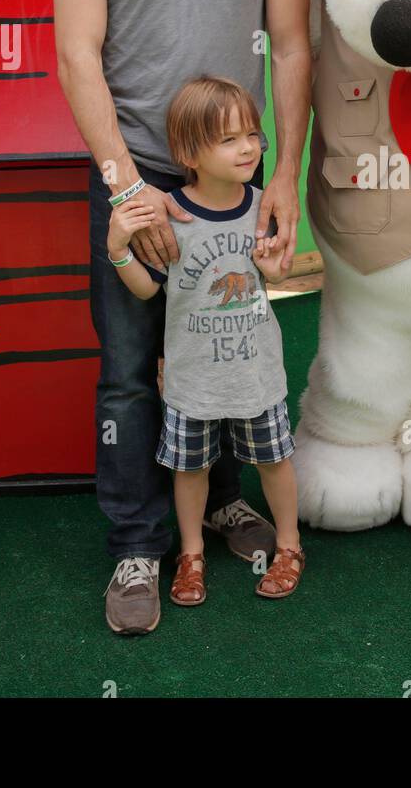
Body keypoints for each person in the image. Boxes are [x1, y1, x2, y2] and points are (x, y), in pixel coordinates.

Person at [49, 0, 312, 635]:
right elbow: (78, 55)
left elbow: (291, 46)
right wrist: (126, 186)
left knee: (227, 344)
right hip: (135, 174)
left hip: (231, 183)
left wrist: (282, 177)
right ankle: (136, 542)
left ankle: (231, 504)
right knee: (129, 372)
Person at [107, 77, 304, 605]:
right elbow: (149, 289)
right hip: (192, 382)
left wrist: (272, 272)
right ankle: (190, 552)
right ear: (188, 153)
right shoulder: (169, 215)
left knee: (274, 460)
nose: (247, 148)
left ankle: (289, 545)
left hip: (257, 375)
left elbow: (278, 278)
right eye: (228, 138)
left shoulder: (265, 206)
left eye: (251, 134)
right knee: (189, 468)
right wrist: (119, 249)